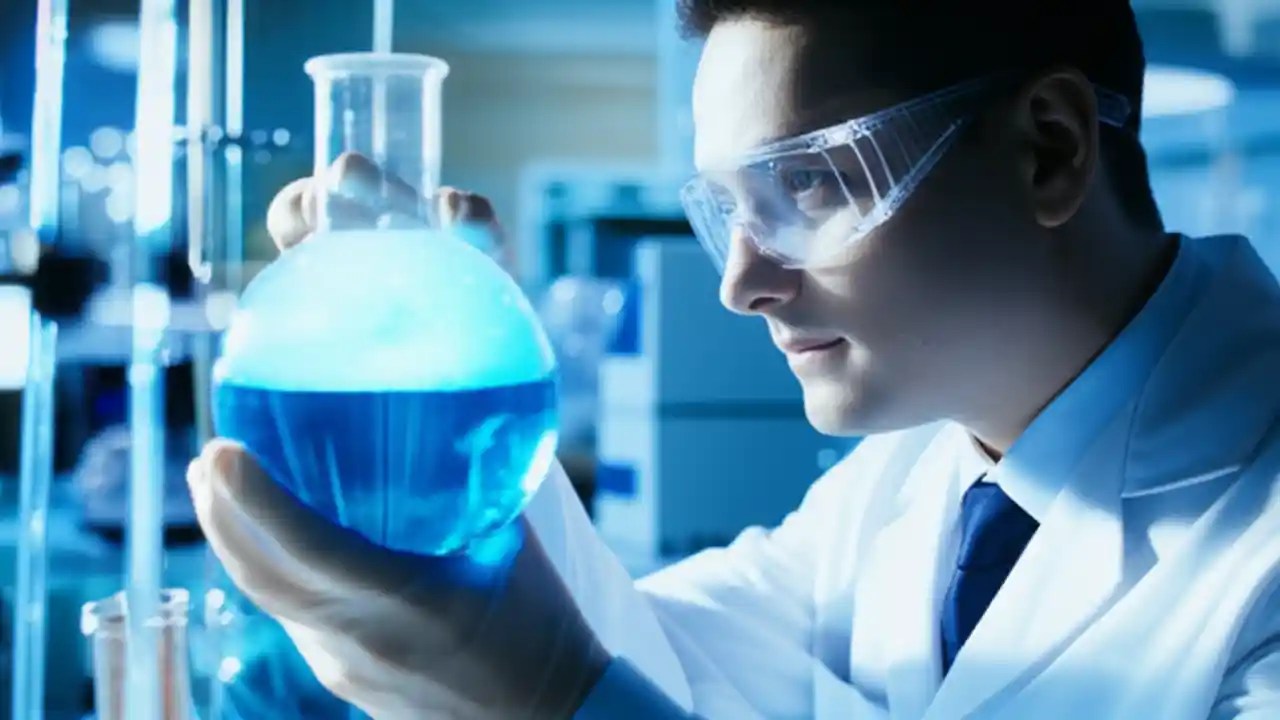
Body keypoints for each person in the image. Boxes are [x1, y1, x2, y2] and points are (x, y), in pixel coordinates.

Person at [186, 0, 1280, 717]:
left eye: (805, 185)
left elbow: (580, 676)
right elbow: (651, 653)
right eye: (726, 211)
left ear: (1046, 149)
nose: (739, 283)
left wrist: (549, 695)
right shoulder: (909, 486)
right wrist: (462, 466)